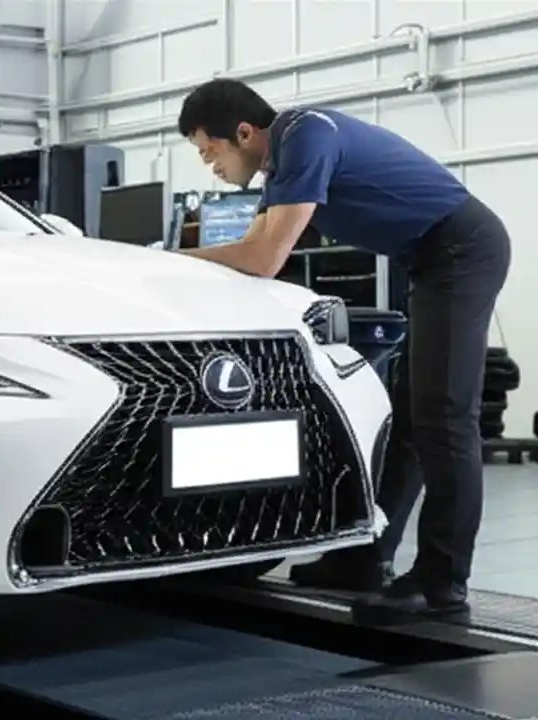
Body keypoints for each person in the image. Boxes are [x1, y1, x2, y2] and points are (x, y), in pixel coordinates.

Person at [174, 78, 511, 623]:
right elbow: (252, 245)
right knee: (411, 421)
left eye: (208, 151)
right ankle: (363, 557)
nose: (209, 166)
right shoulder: (283, 160)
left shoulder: (305, 136)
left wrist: (176, 260)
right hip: (429, 258)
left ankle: (442, 582)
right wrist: (181, 260)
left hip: (463, 248)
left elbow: (263, 257)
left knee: (444, 419)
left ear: (242, 132)